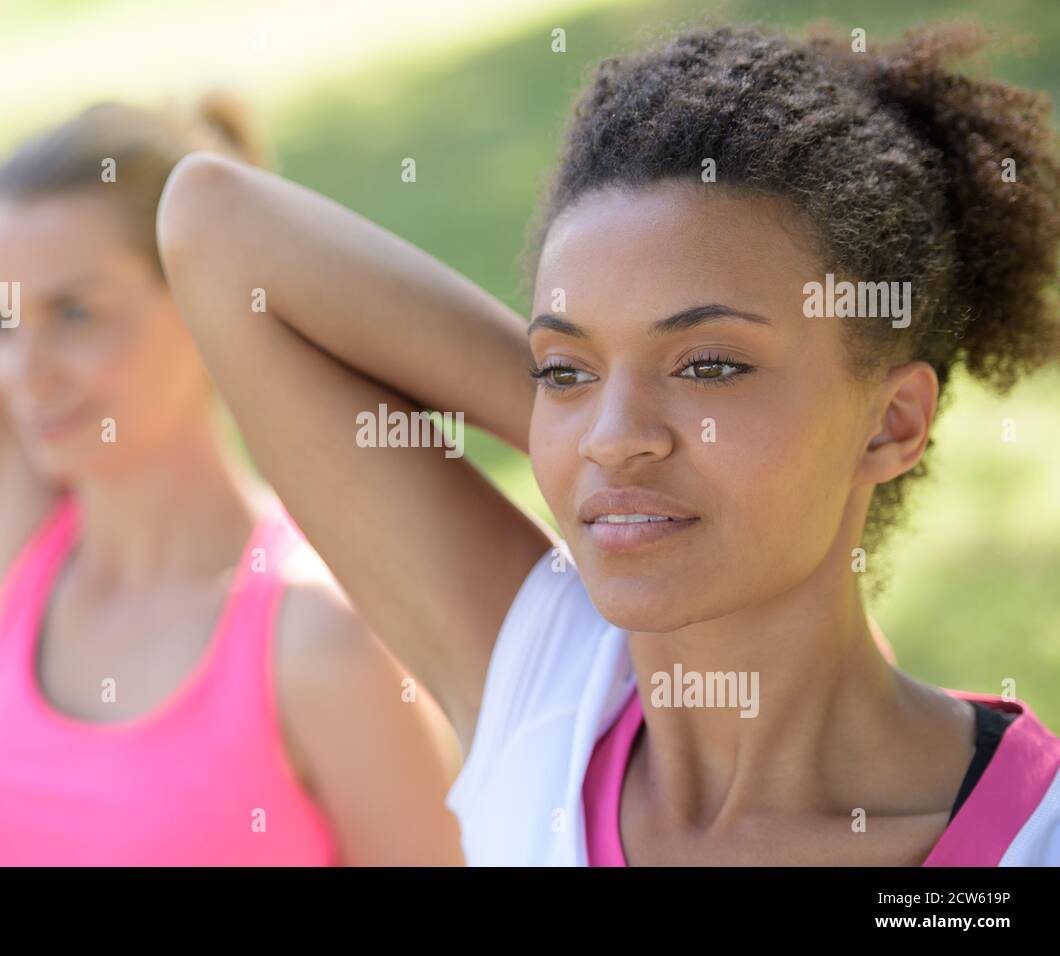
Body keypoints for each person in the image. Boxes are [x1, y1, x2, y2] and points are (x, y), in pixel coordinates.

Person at [155, 23, 1060, 865]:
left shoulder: (1026, 839)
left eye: (708, 365)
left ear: (892, 421)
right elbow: (211, 222)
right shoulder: (545, 688)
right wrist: (612, 450)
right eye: (562, 370)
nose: (615, 436)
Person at [0, 75, 463, 865]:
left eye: (73, 313)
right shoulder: (13, 535)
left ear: (202, 301)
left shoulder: (317, 638)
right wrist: (53, 252)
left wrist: (211, 243)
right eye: (3, 317)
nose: (19, 371)